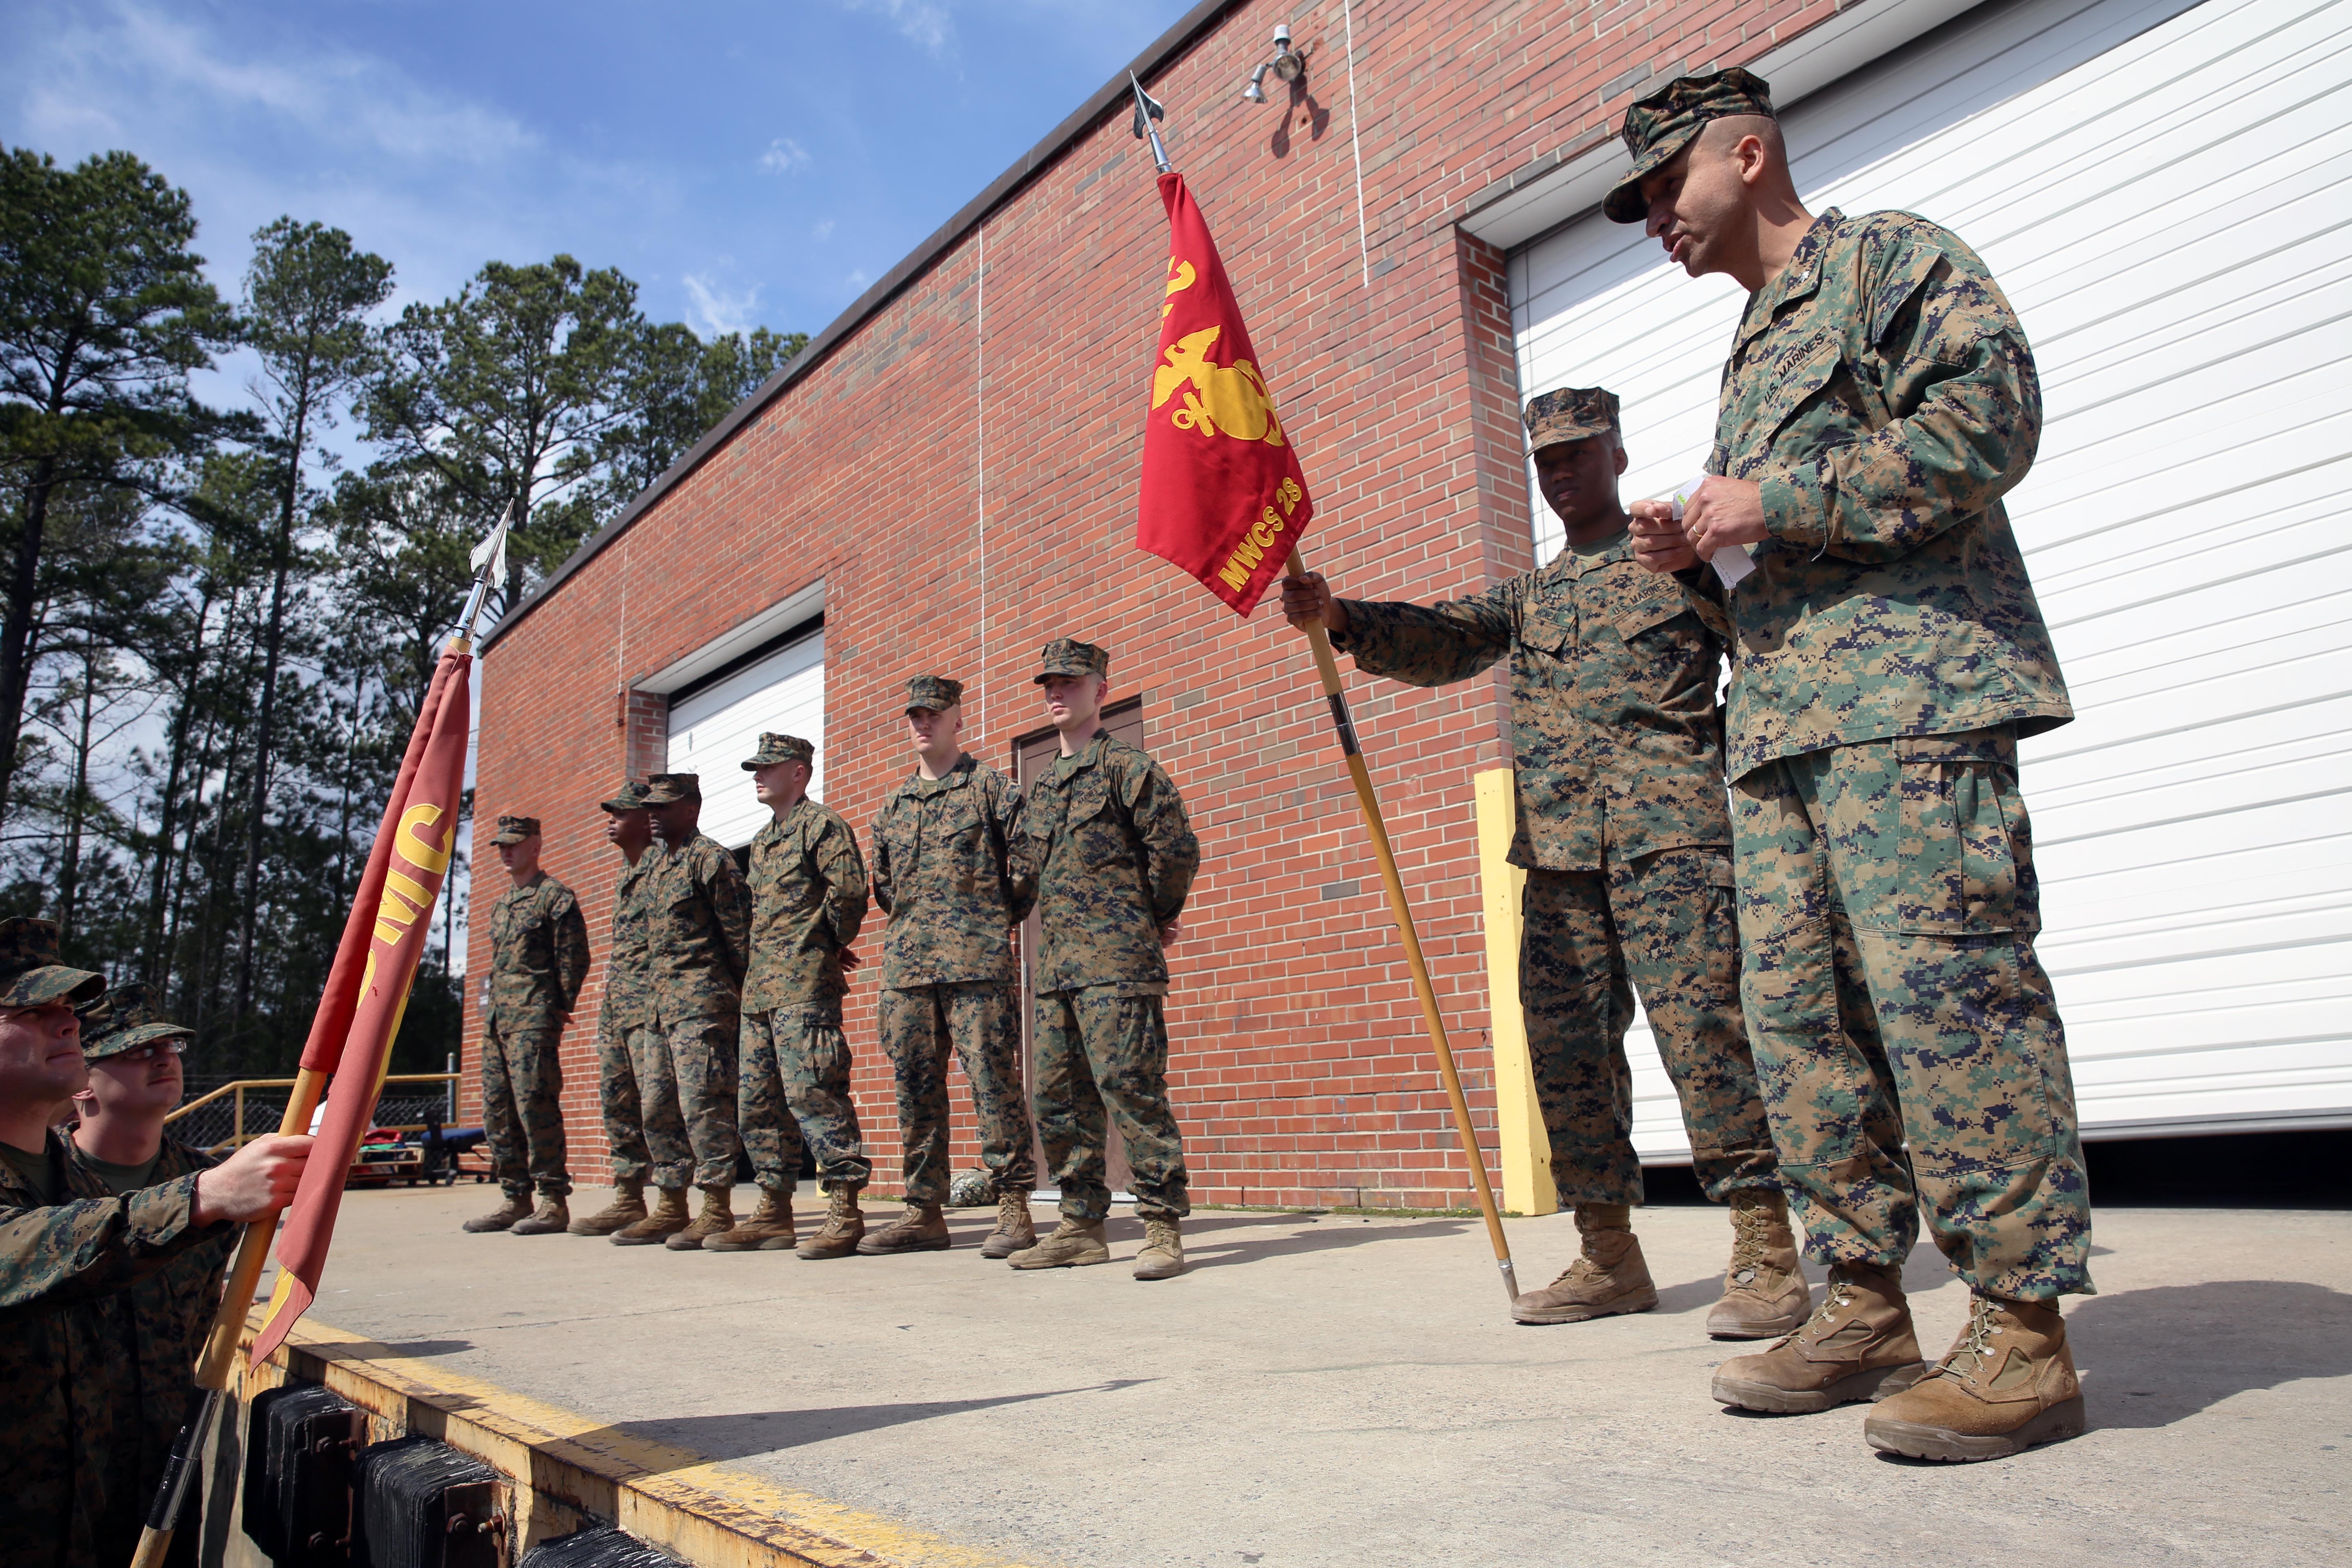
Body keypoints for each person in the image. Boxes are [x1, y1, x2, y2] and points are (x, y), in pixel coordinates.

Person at [1616, 67, 2090, 1459]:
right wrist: (1704, 557)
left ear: (1748, 154)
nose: (1654, 217)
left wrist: (1779, 496)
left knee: (1952, 999)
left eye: (1666, 185)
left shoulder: (1889, 257)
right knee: (1804, 1030)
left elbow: (1989, 420)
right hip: (1779, 735)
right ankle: (1865, 1295)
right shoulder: (1752, 348)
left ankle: (2021, 1332)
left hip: (1913, 704)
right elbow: (1781, 561)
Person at [1281, 386, 1804, 1337]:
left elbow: (1772, 649)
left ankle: (1765, 1248)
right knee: (1565, 1056)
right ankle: (1608, 1253)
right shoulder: (1532, 595)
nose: (1560, 473)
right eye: (1545, 462)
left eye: (1576, 453)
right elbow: (1445, 638)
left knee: (1707, 1040)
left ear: (1615, 453)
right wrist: (1342, 614)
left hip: (1672, 846)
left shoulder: (1681, 562)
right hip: (1558, 856)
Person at [0, 917, 310, 1568]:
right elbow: (23, 1249)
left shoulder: (80, 1186)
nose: (66, 1024)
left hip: (110, 1514)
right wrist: (202, 1199)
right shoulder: (119, 1209)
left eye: (67, 1011)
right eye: (32, 1011)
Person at [1009, 639, 1199, 1280]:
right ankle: (1080, 1225)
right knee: (1058, 1100)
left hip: (1118, 963)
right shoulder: (1043, 788)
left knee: (1131, 1088)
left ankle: (1161, 1226)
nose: (1056, 693)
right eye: (1049, 684)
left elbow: (1175, 851)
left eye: (1071, 682)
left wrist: (1151, 918)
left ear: (1102, 690)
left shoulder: (1129, 769)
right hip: (1058, 968)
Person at [863, 676, 1039, 1260]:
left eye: (935, 714)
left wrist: (984, 921)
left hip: (976, 966)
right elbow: (885, 888)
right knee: (915, 1091)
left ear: (957, 720)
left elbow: (1027, 870)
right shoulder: (891, 808)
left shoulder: (991, 789)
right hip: (909, 972)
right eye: (915, 714)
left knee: (993, 1085)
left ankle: (1014, 1205)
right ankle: (923, 1211)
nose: (923, 724)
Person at [65, 983, 238, 1568]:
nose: (164, 1057)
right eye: (136, 1050)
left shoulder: (211, 1188)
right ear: (81, 1081)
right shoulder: (40, 1194)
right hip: (60, 1476)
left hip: (169, 1464)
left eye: (170, 1046)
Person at [714, 733, 873, 1259]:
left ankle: (845, 1210)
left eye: (768, 767)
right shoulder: (762, 842)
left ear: (799, 773)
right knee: (757, 1104)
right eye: (755, 768)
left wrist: (824, 943)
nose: (757, 776)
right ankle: (774, 1211)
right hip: (760, 992)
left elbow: (849, 892)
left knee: (815, 1094)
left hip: (804, 988)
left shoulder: (822, 825)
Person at [621, 773, 754, 1250]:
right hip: (658, 1010)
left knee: (704, 1107)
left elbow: (740, 937)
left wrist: (739, 1002)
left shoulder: (711, 860)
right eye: (651, 806)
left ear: (692, 809)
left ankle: (716, 1207)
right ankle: (671, 1205)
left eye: (666, 806)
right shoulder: (655, 866)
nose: (654, 813)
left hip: (703, 1008)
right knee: (657, 1108)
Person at [463, 814, 589, 1236]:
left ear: (536, 845)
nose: (506, 851)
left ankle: (553, 1201)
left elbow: (574, 958)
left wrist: (556, 1009)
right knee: (498, 1112)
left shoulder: (555, 897)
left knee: (536, 1107)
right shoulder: (501, 906)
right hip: (498, 1023)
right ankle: (515, 1198)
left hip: (534, 1021)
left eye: (514, 843)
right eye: (501, 845)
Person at [570, 781, 667, 1236]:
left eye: (620, 813)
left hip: (652, 1008)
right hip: (618, 1009)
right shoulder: (625, 876)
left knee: (661, 1107)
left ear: (646, 821)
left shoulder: (662, 870)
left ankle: (675, 1201)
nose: (611, 820)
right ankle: (629, 1198)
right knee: (618, 1104)